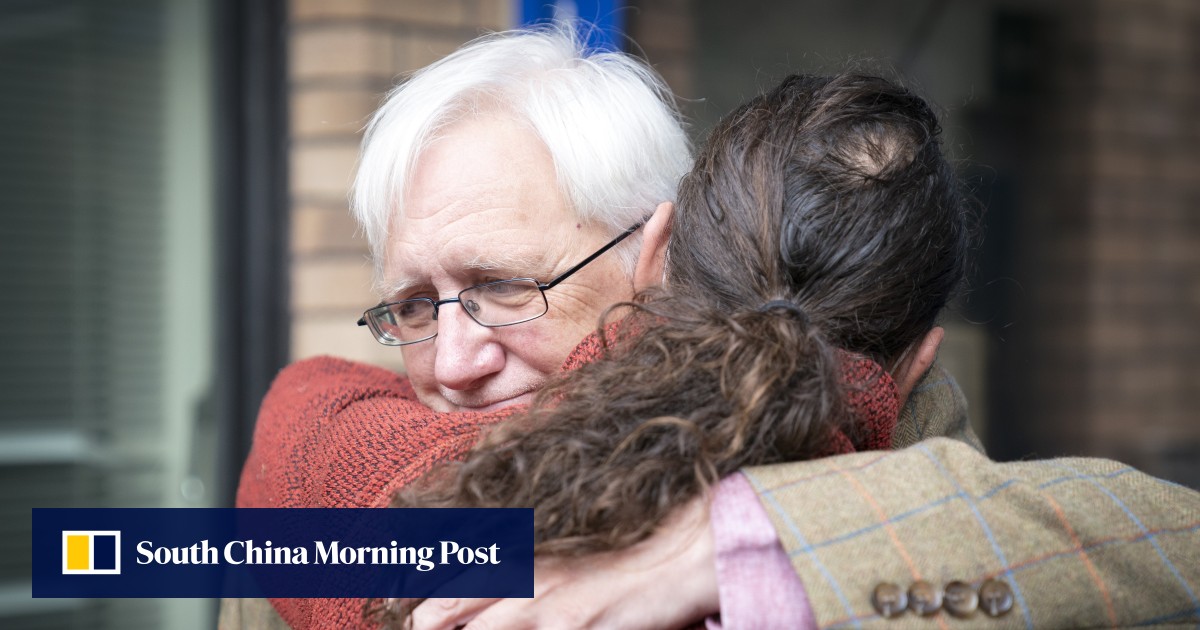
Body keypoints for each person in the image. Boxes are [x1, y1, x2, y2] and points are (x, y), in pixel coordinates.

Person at [404, 73, 1200, 629]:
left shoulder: (937, 486)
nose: (450, 363)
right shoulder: (376, 446)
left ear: (654, 260)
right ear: (921, 354)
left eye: (504, 286)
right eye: (408, 305)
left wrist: (747, 544)